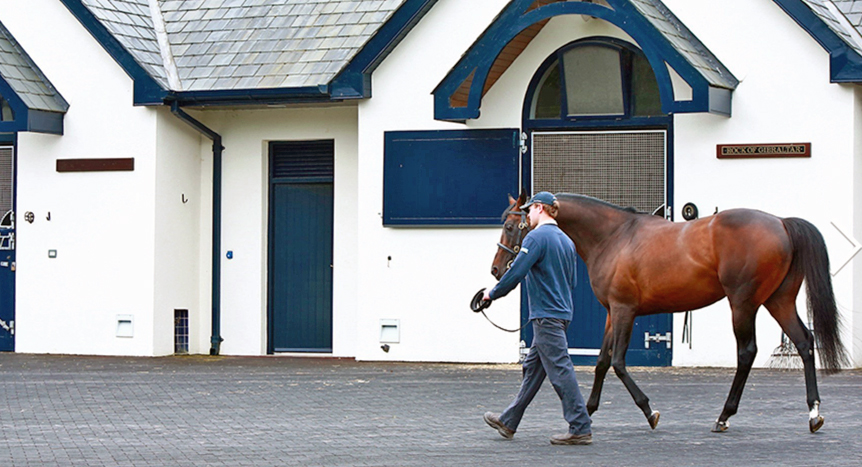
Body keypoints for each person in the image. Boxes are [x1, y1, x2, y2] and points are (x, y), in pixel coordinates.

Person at [482, 191, 592, 445]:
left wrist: (492, 293)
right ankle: (509, 421)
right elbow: (572, 281)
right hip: (561, 314)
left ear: (540, 209)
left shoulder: (537, 237)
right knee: (533, 368)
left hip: (547, 317)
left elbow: (516, 271)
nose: (528, 215)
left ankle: (580, 426)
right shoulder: (566, 241)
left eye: (530, 210)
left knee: (561, 371)